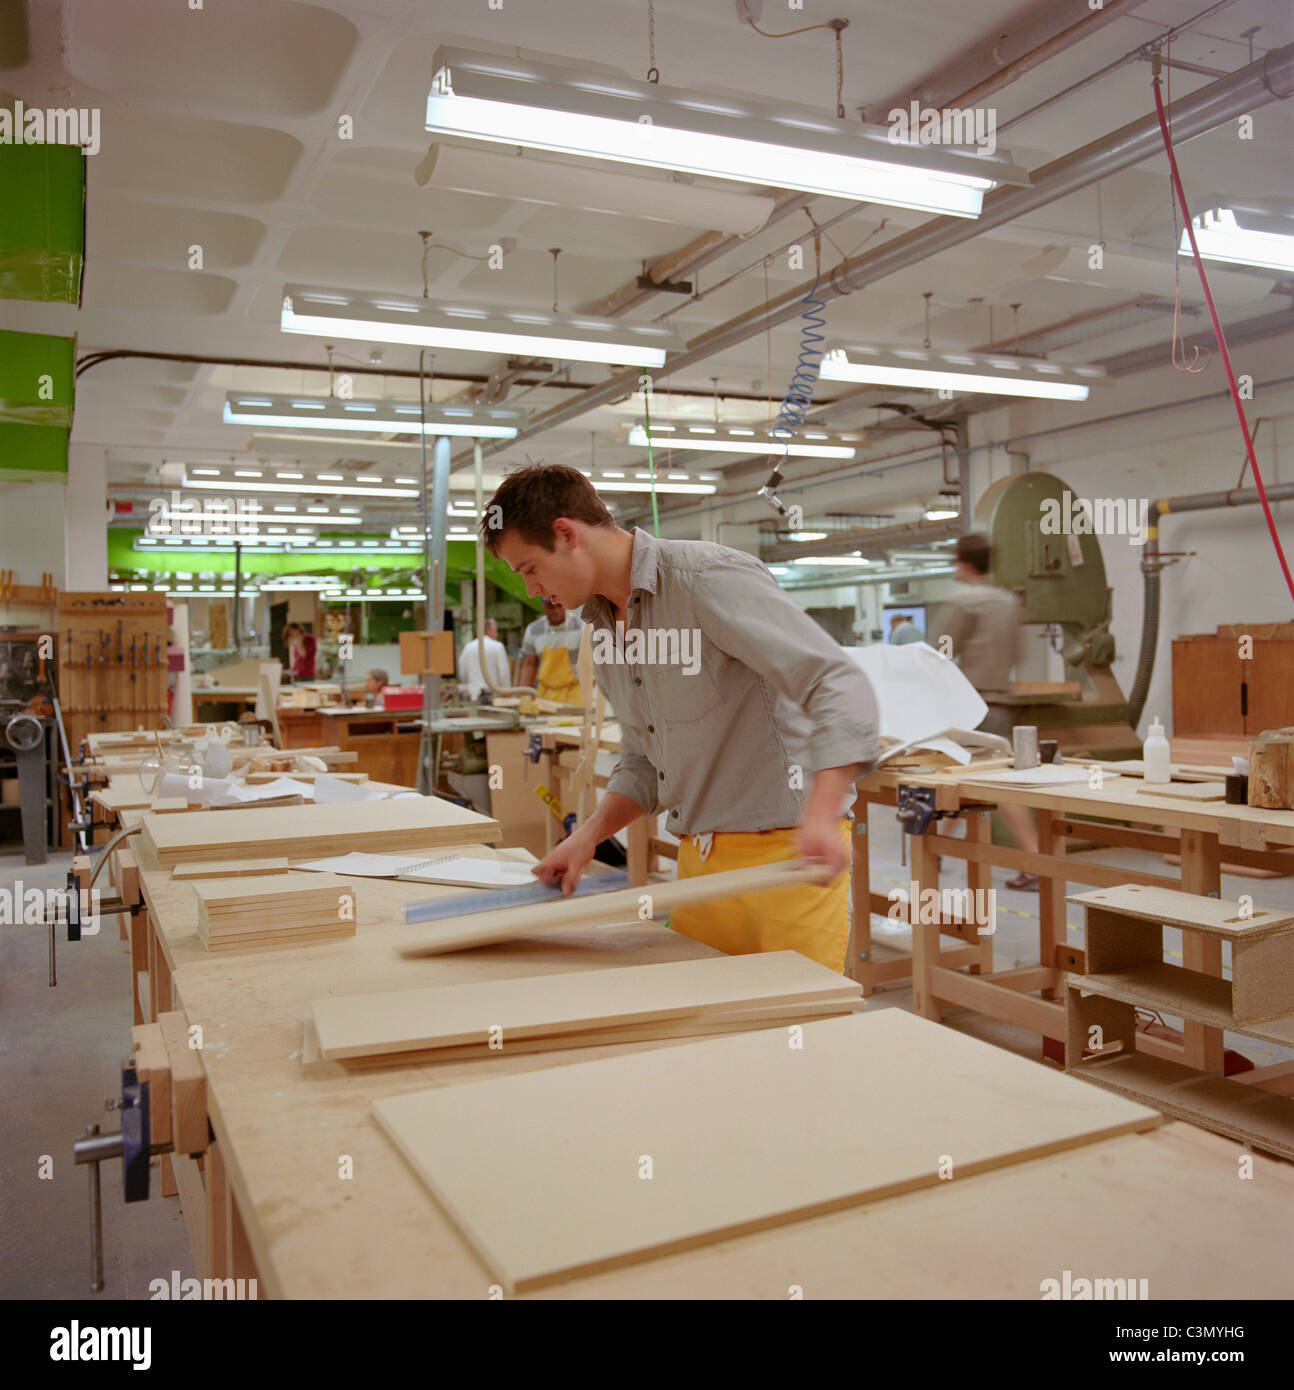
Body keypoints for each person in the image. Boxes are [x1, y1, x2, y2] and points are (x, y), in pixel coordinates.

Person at [481, 463, 879, 972]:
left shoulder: (706, 579)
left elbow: (837, 684)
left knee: (792, 1030)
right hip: (698, 859)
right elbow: (646, 761)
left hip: (786, 858)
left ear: (565, 534)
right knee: (703, 1034)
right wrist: (586, 837)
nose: (533, 589)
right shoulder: (603, 627)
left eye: (530, 568)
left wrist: (822, 813)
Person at [933, 532, 1039, 890]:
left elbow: (940, 650)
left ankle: (1034, 860)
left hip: (970, 704)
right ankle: (936, 853)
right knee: (964, 778)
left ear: (963, 563)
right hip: (1001, 702)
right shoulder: (1009, 602)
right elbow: (1020, 655)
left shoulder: (965, 602)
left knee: (976, 781)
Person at [518, 597, 585, 705]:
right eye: (551, 607)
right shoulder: (533, 631)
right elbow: (529, 664)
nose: (556, 611)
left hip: (573, 694)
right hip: (545, 695)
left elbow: (588, 665)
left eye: (559, 606)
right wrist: (522, 695)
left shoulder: (580, 627)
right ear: (543, 606)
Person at [458, 619, 511, 700]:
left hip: (473, 695)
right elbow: (503, 672)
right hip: (494, 695)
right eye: (495, 631)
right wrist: (506, 691)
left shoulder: (468, 647)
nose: (497, 634)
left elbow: (462, 672)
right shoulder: (498, 647)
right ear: (488, 631)